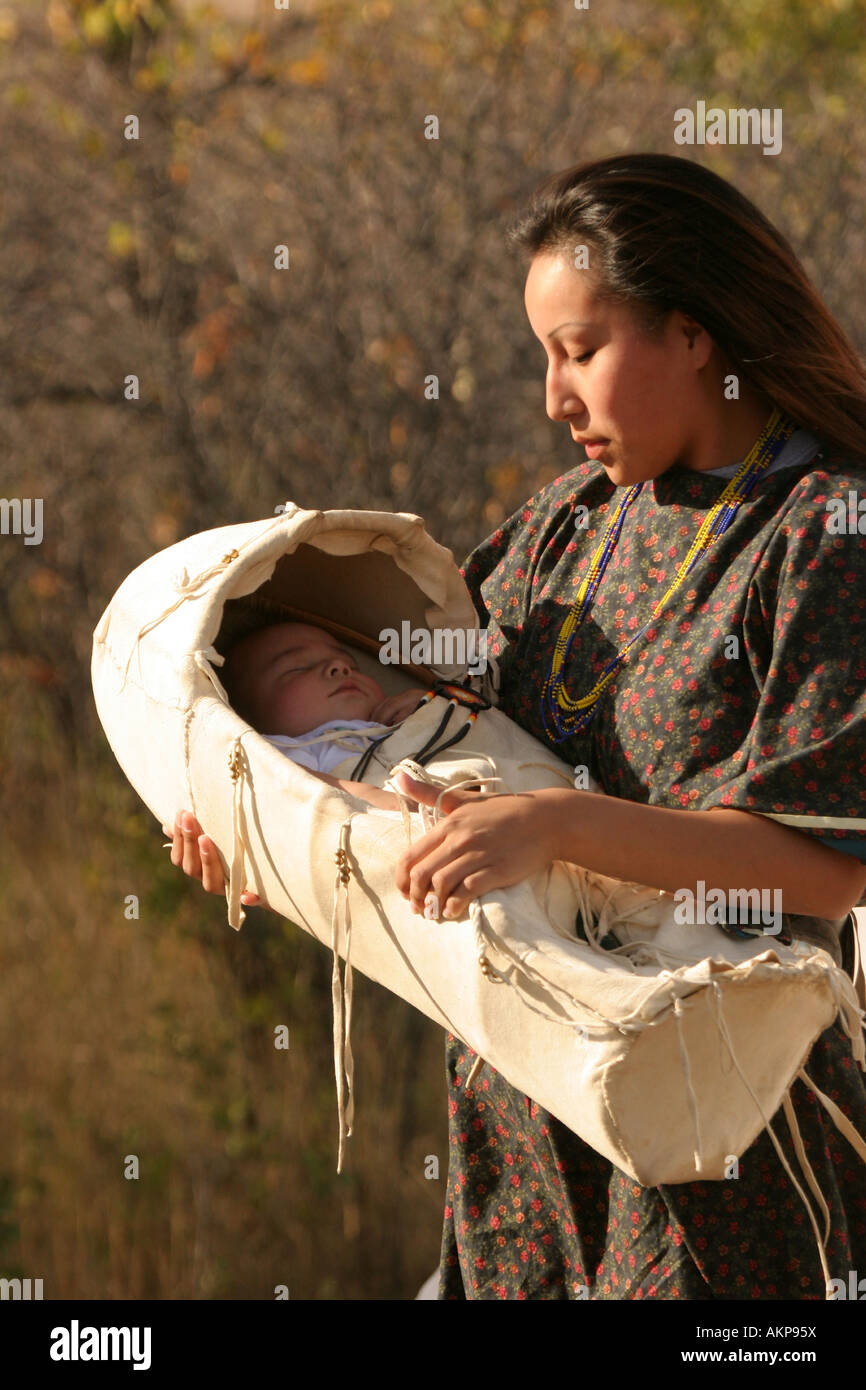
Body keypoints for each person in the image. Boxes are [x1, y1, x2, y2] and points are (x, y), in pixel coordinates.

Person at [168, 152, 866, 1300]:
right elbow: (409, 735)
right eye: (543, 355)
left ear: (694, 333)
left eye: (580, 349)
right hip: (520, 1119)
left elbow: (826, 870)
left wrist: (554, 826)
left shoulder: (823, 531)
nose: (552, 396)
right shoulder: (565, 527)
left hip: (723, 1121)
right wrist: (259, 814)